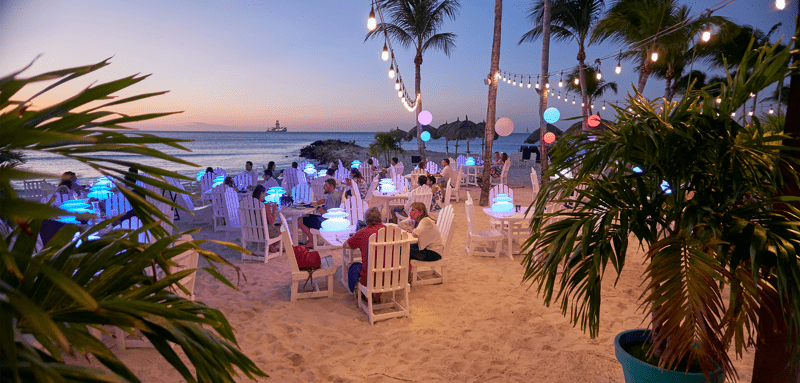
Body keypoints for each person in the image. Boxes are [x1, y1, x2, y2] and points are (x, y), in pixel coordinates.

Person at [342, 207, 386, 296]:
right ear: (380, 218)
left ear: (366, 220)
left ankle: (360, 294)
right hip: (391, 275)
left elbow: (345, 245)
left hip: (370, 276)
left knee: (352, 266)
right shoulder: (391, 230)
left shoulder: (362, 233)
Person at [298, 178, 342, 247]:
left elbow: (327, 214)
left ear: (331, 186)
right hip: (331, 221)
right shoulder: (336, 195)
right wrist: (323, 202)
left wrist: (317, 207)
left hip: (326, 222)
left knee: (300, 220)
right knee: (307, 216)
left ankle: (313, 241)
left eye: (325, 186)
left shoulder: (331, 197)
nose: (324, 187)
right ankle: (311, 239)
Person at [252, 185, 280, 252]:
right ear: (262, 194)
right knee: (282, 227)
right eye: (264, 193)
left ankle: (271, 246)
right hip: (264, 231)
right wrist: (273, 209)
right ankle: (272, 246)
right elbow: (271, 221)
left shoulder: (249, 205)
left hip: (251, 231)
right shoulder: (265, 206)